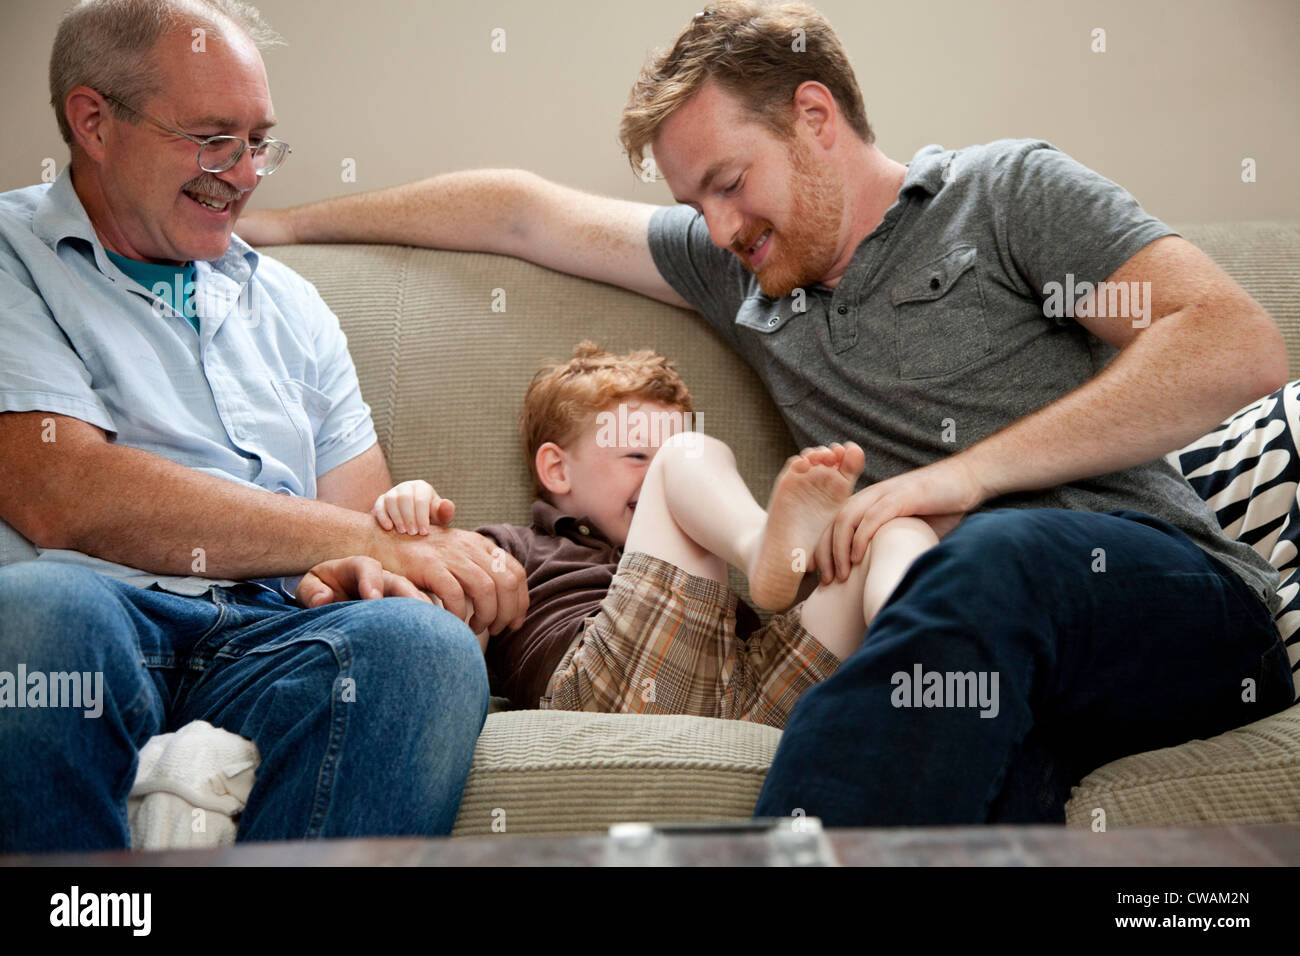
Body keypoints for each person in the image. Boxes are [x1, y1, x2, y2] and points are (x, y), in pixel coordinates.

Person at [235, 1, 1295, 824]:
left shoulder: (1005, 195)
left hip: (1163, 601)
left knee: (977, 555)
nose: (719, 224)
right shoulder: (744, 277)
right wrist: (281, 223)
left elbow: (1230, 341)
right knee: (977, 756)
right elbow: (518, 211)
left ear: (815, 117)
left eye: (731, 182)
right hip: (974, 647)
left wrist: (961, 476)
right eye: (696, 200)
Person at [0, 0, 526, 854]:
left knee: (420, 646)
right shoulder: (10, 254)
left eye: (258, 142)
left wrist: (381, 564)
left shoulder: (289, 303)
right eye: (213, 139)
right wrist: (363, 539)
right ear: (93, 121)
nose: (243, 175)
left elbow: (360, 525)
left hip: (269, 643)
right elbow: (61, 489)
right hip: (95, 623)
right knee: (36, 614)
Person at [371, 342, 939, 726]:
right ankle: (761, 547)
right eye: (637, 454)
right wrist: (413, 517)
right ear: (557, 470)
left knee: (894, 528)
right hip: (602, 687)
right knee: (691, 456)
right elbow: (448, 632)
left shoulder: (701, 566)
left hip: (738, 695)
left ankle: (922, 641)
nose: (654, 472)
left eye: (660, 459)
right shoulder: (517, 546)